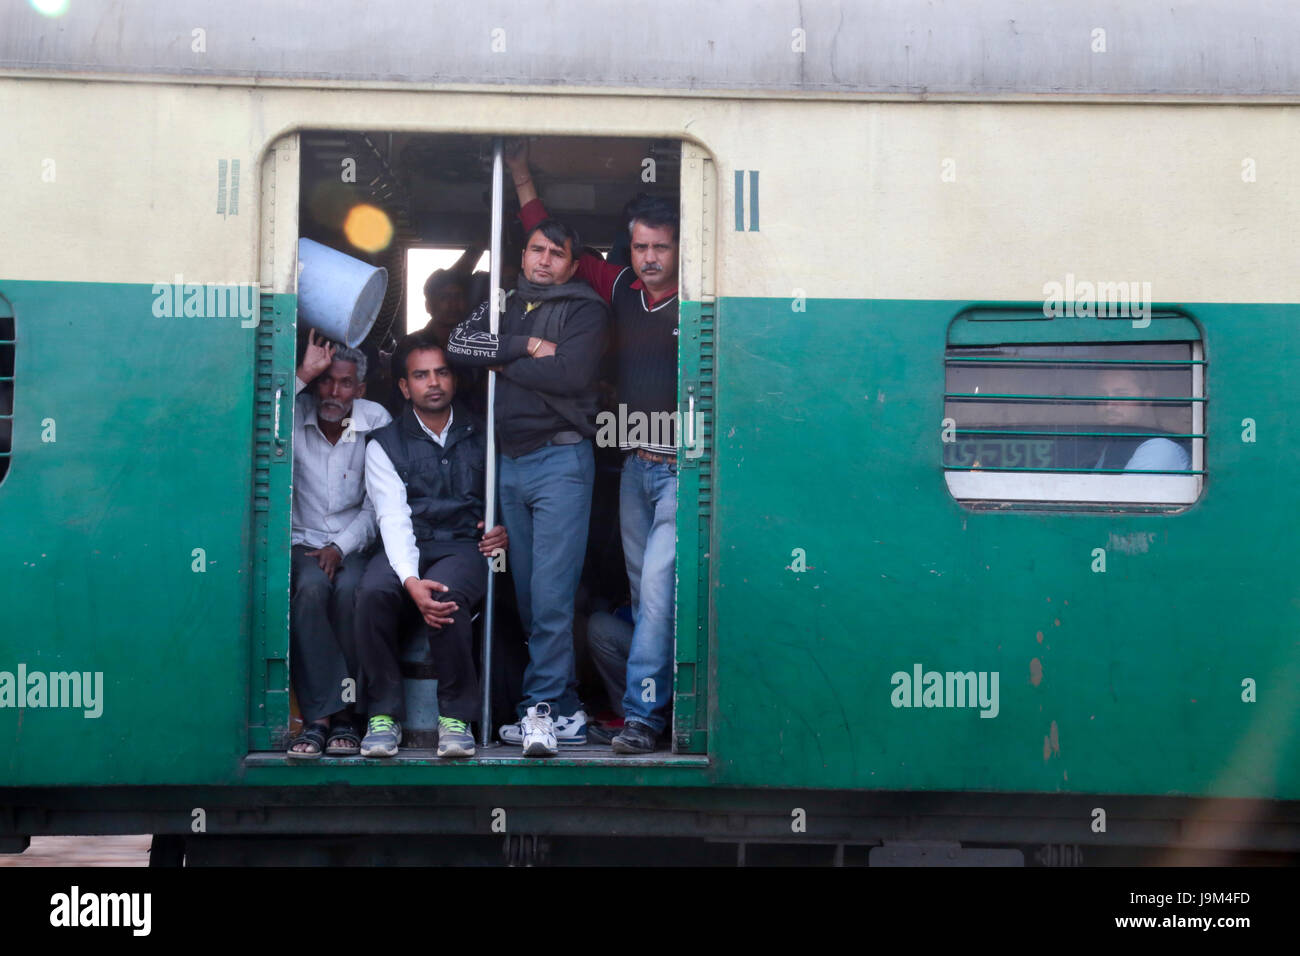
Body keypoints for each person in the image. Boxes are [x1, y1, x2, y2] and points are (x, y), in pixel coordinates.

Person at [504, 142, 680, 755]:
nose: (651, 257)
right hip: (634, 469)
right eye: (641, 246)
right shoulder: (622, 288)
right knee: (642, 597)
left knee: (659, 592)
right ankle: (658, 706)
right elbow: (548, 245)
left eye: (661, 246)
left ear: (681, 248)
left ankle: (643, 718)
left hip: (684, 472)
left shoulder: (707, 299)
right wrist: (522, 175)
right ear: (628, 250)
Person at [446, 217, 609, 757]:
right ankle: (564, 712)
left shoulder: (585, 307)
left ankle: (537, 709)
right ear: (523, 256)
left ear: (571, 262)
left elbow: (570, 376)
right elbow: (461, 346)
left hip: (561, 460)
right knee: (527, 595)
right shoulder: (505, 301)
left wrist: (503, 361)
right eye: (536, 250)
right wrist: (526, 344)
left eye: (556, 254)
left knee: (552, 597)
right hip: (510, 464)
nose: (544, 260)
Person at [353, 333, 508, 759]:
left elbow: (507, 493)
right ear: (405, 387)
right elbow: (392, 517)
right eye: (421, 375)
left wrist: (503, 527)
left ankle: (456, 718)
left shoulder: (485, 430)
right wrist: (408, 580)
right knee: (372, 593)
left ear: (454, 379)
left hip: (463, 546)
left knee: (445, 593)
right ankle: (382, 716)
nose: (433, 382)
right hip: (409, 543)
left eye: (441, 372)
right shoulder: (384, 443)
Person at [287, 330, 392, 759]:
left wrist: (341, 547)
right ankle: (321, 719)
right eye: (326, 380)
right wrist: (300, 374)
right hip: (301, 541)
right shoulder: (293, 412)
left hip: (353, 543)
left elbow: (377, 503)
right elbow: (260, 415)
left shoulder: (376, 420)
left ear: (360, 389)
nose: (334, 391)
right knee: (311, 588)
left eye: (345, 382)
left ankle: (349, 715)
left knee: (352, 592)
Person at [1093, 367, 1191, 472]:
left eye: (1121, 395)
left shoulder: (1159, 449)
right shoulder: (1113, 445)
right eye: (1102, 395)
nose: (1109, 406)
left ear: (1147, 397)